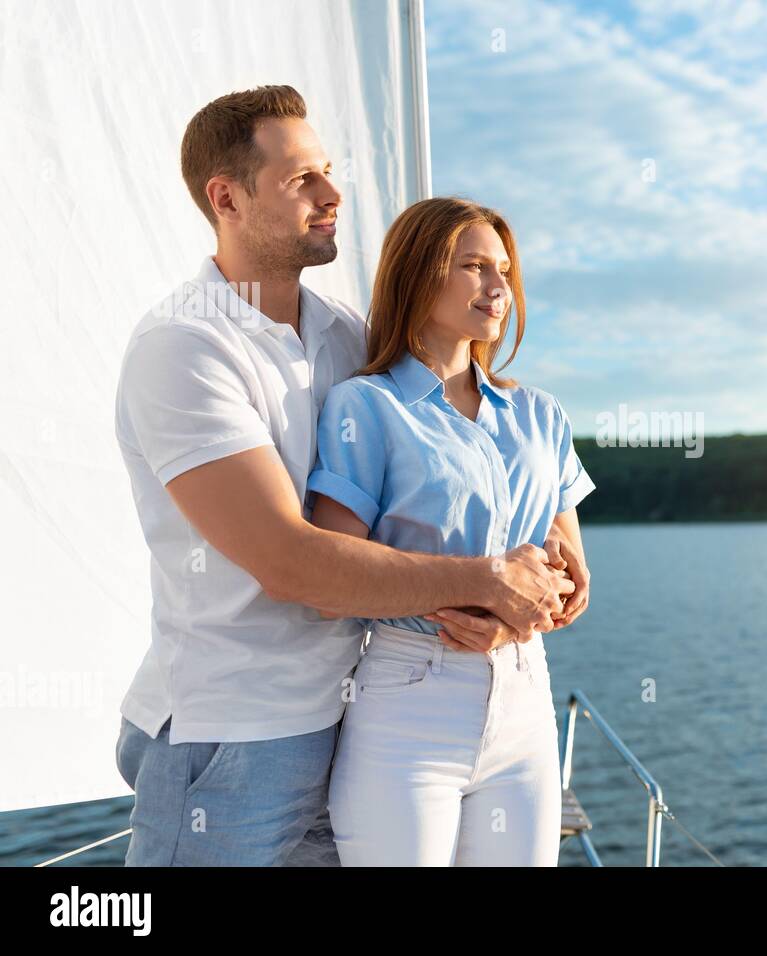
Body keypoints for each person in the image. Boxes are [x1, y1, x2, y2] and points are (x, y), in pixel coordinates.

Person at [112, 86, 578, 866]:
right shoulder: (185, 346)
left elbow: (438, 484)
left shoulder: (343, 337)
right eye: (303, 181)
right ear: (225, 198)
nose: (334, 194)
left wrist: (511, 609)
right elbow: (293, 563)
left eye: (329, 172)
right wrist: (489, 582)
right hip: (234, 737)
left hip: (355, 718)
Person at [308, 197, 595, 865]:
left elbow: (570, 578)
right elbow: (333, 580)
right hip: (410, 710)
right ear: (420, 272)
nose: (498, 288)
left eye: (504, 270)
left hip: (525, 702)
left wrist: (520, 616)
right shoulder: (365, 406)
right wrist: (489, 590)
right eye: (473, 266)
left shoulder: (539, 415)